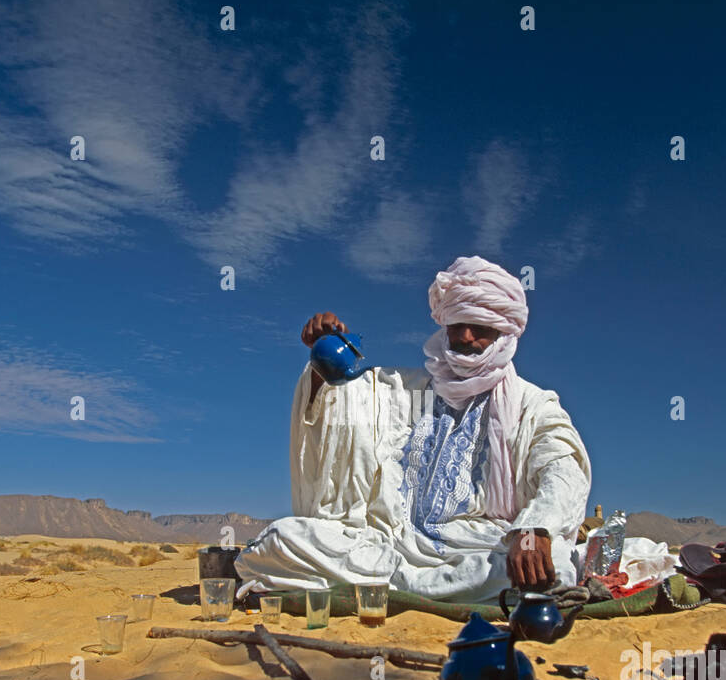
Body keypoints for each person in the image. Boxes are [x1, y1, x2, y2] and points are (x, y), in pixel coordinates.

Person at [235, 256, 591, 604]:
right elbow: (347, 398)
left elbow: (562, 468)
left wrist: (532, 529)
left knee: (556, 562)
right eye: (456, 323)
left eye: (479, 326)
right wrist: (322, 361)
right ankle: (417, 585)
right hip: (389, 544)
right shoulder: (410, 390)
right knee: (281, 539)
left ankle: (388, 586)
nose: (464, 336)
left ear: (503, 332)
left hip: (481, 547)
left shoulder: (533, 404)